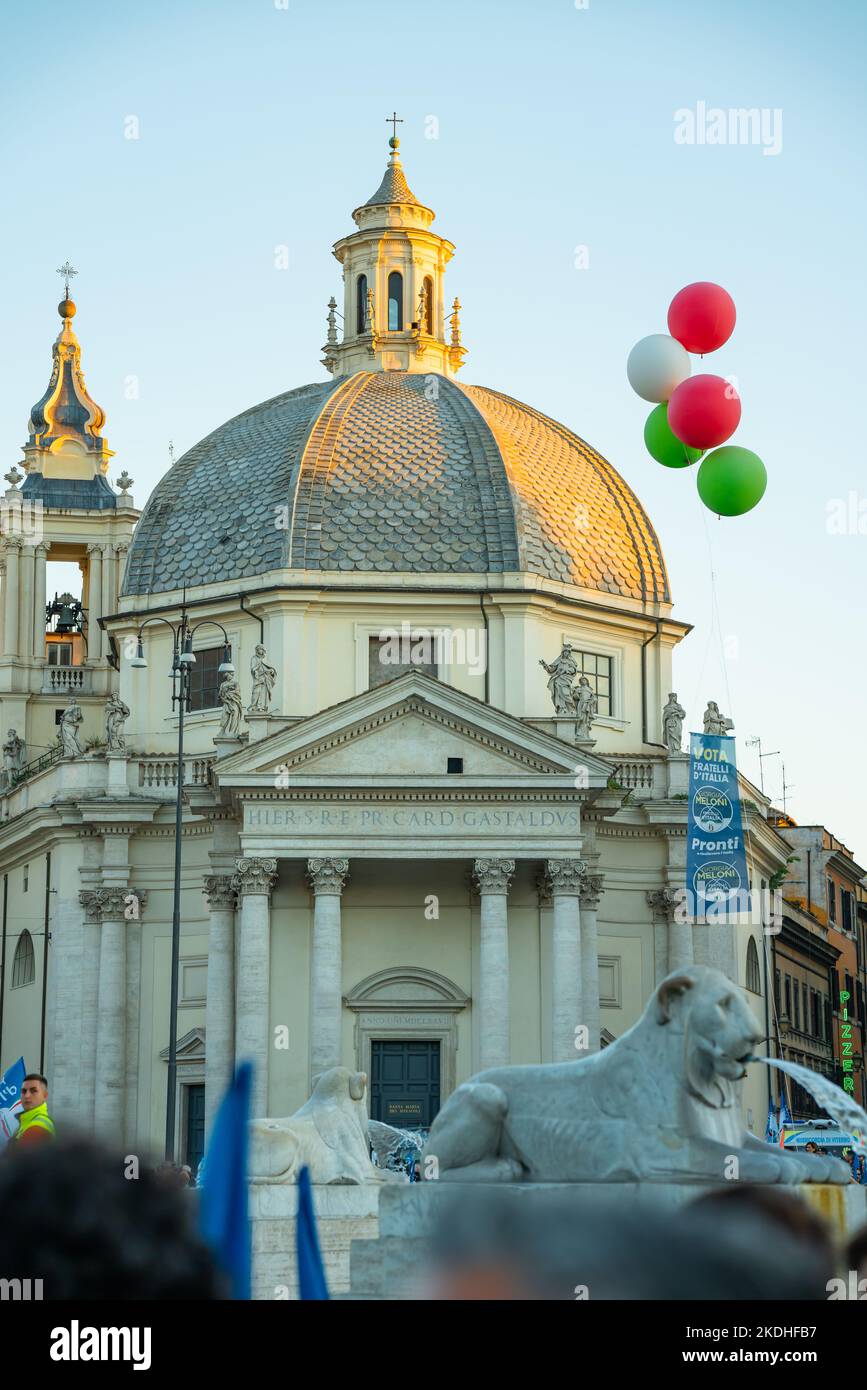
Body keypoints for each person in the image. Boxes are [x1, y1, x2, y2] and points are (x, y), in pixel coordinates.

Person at [13, 1073, 55, 1146]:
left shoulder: (37, 1127)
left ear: (45, 1096)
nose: (27, 1096)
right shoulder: (27, 1121)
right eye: (24, 1091)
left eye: (33, 1091)